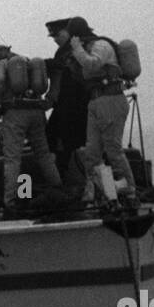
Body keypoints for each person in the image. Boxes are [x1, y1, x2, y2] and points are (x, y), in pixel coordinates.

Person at [67, 18, 137, 204]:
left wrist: (77, 49)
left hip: (110, 100)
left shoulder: (101, 46)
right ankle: (101, 192)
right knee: (92, 152)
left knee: (113, 149)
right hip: (96, 102)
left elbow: (93, 64)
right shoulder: (86, 49)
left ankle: (129, 189)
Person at [0, 45, 62, 216]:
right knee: (44, 154)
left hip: (15, 112)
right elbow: (55, 76)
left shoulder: (1, 63)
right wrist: (50, 100)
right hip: (37, 112)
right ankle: (58, 189)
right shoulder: (29, 64)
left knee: (12, 158)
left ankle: (10, 202)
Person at [44, 18, 89, 186]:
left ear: (68, 32)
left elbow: (63, 67)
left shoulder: (77, 49)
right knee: (52, 137)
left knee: (71, 142)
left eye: (57, 35)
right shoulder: (62, 51)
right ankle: (61, 180)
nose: (55, 39)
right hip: (64, 105)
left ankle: (74, 181)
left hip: (77, 106)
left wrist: (41, 63)